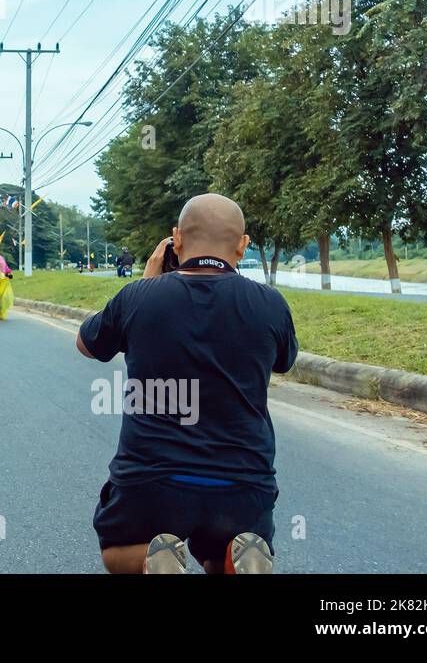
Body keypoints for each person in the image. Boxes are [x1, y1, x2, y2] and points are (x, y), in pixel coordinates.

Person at [76, 193, 298, 575]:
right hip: (243, 484)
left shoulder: (138, 297)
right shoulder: (270, 304)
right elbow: (284, 363)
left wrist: (145, 283)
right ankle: (236, 556)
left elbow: (88, 345)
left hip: (152, 483)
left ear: (176, 240)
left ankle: (154, 558)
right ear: (243, 245)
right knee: (222, 550)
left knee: (118, 549)